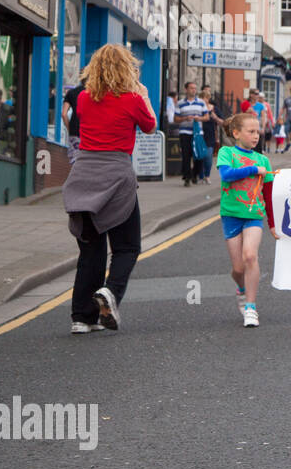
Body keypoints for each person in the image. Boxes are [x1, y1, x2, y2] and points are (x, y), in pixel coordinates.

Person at [62, 44, 157, 334]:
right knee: (127, 246)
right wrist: (145, 96)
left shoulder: (84, 99)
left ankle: (82, 317)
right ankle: (111, 292)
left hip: (83, 172)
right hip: (116, 173)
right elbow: (151, 126)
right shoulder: (132, 99)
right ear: (127, 68)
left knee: (91, 249)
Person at [217, 112, 276, 327]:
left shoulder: (263, 159)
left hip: (253, 216)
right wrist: (253, 170)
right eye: (250, 132)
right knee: (238, 269)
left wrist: (272, 223)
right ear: (236, 133)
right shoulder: (227, 153)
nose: (256, 135)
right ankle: (241, 289)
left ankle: (251, 307)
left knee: (250, 256)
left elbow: (269, 195)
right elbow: (226, 175)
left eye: (257, 131)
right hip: (231, 216)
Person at [174, 81, 210, 186]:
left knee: (199, 155)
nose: (193, 90)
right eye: (191, 88)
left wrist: (199, 118)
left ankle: (195, 174)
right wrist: (185, 118)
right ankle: (187, 178)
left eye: (195, 88)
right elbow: (175, 119)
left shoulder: (201, 102)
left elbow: (207, 117)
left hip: (198, 133)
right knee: (186, 155)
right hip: (185, 132)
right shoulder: (180, 103)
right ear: (186, 90)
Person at [199, 85, 222, 183]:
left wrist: (215, 117)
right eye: (203, 98)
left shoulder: (214, 109)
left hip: (210, 135)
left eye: (206, 98)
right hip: (199, 135)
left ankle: (207, 175)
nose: (205, 100)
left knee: (208, 156)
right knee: (199, 157)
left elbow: (222, 122)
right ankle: (200, 176)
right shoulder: (198, 108)